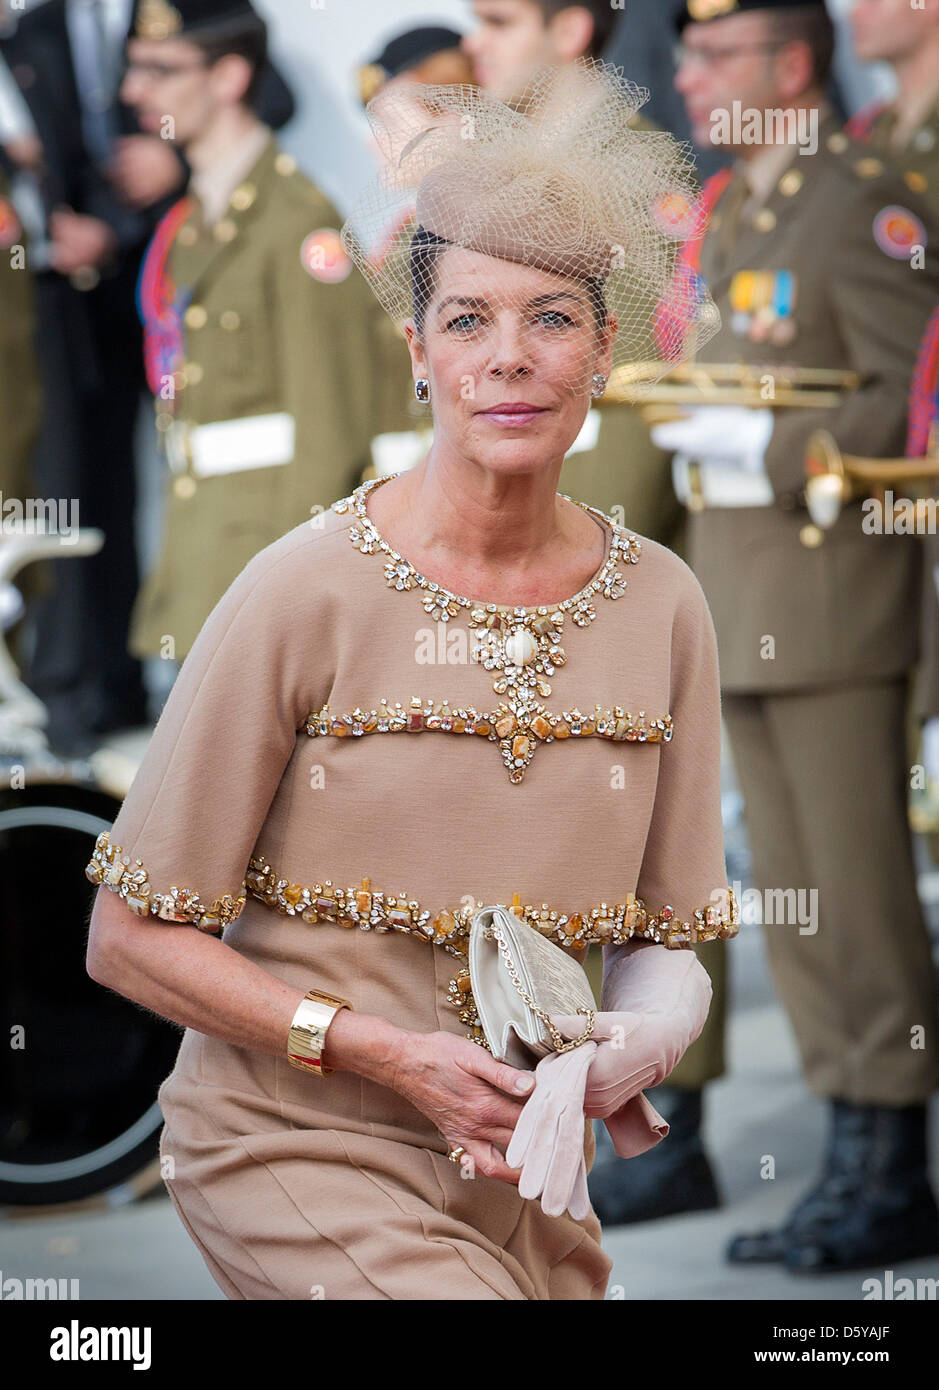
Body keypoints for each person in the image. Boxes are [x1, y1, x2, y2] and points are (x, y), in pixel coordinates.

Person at [84, 59, 739, 1301]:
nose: (510, 357)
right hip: (293, 1139)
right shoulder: (301, 587)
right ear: (417, 349)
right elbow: (129, 937)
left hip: (526, 1181)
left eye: (552, 317)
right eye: (469, 320)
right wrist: (384, 1054)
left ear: (606, 346)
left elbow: (670, 936)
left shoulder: (665, 602)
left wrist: (646, 1037)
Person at [647, 0, 939, 1273]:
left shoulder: (856, 203)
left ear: (793, 65)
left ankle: (892, 1168)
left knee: (863, 905)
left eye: (716, 54)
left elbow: (907, 402)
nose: (690, 75)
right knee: (804, 916)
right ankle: (846, 1163)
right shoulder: (747, 212)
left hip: (839, 604)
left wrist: (764, 447)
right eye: (690, 54)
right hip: (751, 603)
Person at [461, 0, 732, 1222]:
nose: (480, 43)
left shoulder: (636, 168)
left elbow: (659, 365)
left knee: (643, 862)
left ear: (574, 25)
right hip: (520, 536)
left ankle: (664, 1123)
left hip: (610, 536)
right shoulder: (519, 166)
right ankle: (542, 1098)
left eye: (500, 16)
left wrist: (599, 548)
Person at [0, 0, 295, 753]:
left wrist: (169, 159)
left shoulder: (192, 10)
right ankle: (76, 691)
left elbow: (267, 87)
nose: (139, 87)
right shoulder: (33, 29)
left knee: (206, 454)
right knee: (72, 482)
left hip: (169, 259)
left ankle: (178, 677)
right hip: (61, 288)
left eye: (157, 71)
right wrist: (43, 220)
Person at [120, 0, 409, 663]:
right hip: (204, 551)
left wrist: (297, 593)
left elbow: (330, 430)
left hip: (268, 560)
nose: (133, 91)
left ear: (227, 78)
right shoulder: (195, 224)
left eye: (161, 70)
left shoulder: (295, 221)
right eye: (135, 69)